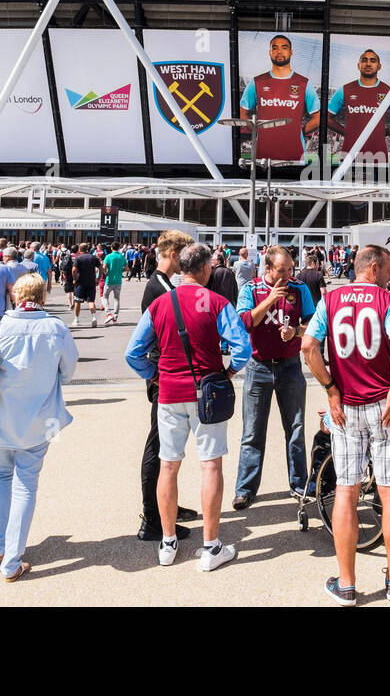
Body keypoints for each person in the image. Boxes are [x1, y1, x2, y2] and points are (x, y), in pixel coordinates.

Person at [126, 243, 251, 570]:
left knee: (168, 465)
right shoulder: (217, 302)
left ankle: (168, 543)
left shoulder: (159, 304)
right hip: (207, 392)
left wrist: (154, 375)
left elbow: (133, 353)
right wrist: (228, 372)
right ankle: (211, 547)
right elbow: (242, 348)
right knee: (210, 465)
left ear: (180, 268)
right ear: (207, 268)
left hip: (169, 393)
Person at [301, 245, 390, 605]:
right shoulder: (388, 301)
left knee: (347, 491)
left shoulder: (331, 300)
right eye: (389, 269)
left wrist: (331, 389)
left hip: (346, 407)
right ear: (375, 268)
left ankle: (347, 584)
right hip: (384, 407)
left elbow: (308, 346)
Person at [0, 273, 77, 582]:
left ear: (15, 295)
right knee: (26, 483)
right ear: (43, 296)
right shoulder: (56, 328)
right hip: (38, 419)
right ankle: (12, 559)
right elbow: (68, 372)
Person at [233, 245, 316, 509]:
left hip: (290, 366)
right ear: (267, 268)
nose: (288, 275)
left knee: (296, 428)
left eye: (291, 269)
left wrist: (296, 333)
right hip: (258, 367)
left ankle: (299, 483)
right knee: (252, 431)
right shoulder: (251, 289)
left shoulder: (299, 288)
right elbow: (243, 322)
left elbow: (312, 324)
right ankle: (245, 489)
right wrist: (269, 299)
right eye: (282, 270)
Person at [134, 230, 198, 542]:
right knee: (158, 446)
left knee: (168, 446)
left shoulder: (163, 284)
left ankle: (165, 505)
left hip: (165, 372)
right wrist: (154, 373)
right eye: (184, 254)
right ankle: (152, 519)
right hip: (164, 374)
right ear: (173, 254)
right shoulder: (159, 287)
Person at [240, 34, 321, 161]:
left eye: (284, 47)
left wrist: (298, 132)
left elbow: (318, 117)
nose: (279, 51)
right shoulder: (257, 82)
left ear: (291, 52)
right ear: (270, 52)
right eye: (275, 48)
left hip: (295, 156)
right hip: (262, 157)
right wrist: (258, 130)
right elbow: (242, 113)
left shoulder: (304, 83)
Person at [327, 48, 390, 161]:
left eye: (373, 61)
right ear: (358, 65)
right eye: (364, 60)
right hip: (349, 156)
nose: (368, 63)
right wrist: (346, 132)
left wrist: (385, 132)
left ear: (379, 66)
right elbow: (326, 117)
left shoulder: (389, 91)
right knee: (349, 179)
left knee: (378, 179)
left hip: (379, 157)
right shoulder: (344, 90)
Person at [70, 243, 102, 328]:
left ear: (79, 250)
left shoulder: (78, 258)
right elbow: (100, 267)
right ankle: (94, 317)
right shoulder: (93, 257)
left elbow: (74, 270)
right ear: (87, 249)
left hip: (80, 282)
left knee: (77, 301)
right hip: (91, 281)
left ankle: (76, 319)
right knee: (91, 301)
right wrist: (98, 278)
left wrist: (74, 278)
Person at [102, 241, 127, 324]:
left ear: (111, 248)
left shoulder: (108, 256)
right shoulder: (122, 257)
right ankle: (115, 316)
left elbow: (104, 268)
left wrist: (106, 272)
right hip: (118, 281)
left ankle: (108, 313)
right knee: (116, 298)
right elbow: (127, 268)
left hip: (109, 280)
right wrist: (120, 270)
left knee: (105, 297)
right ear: (119, 248)